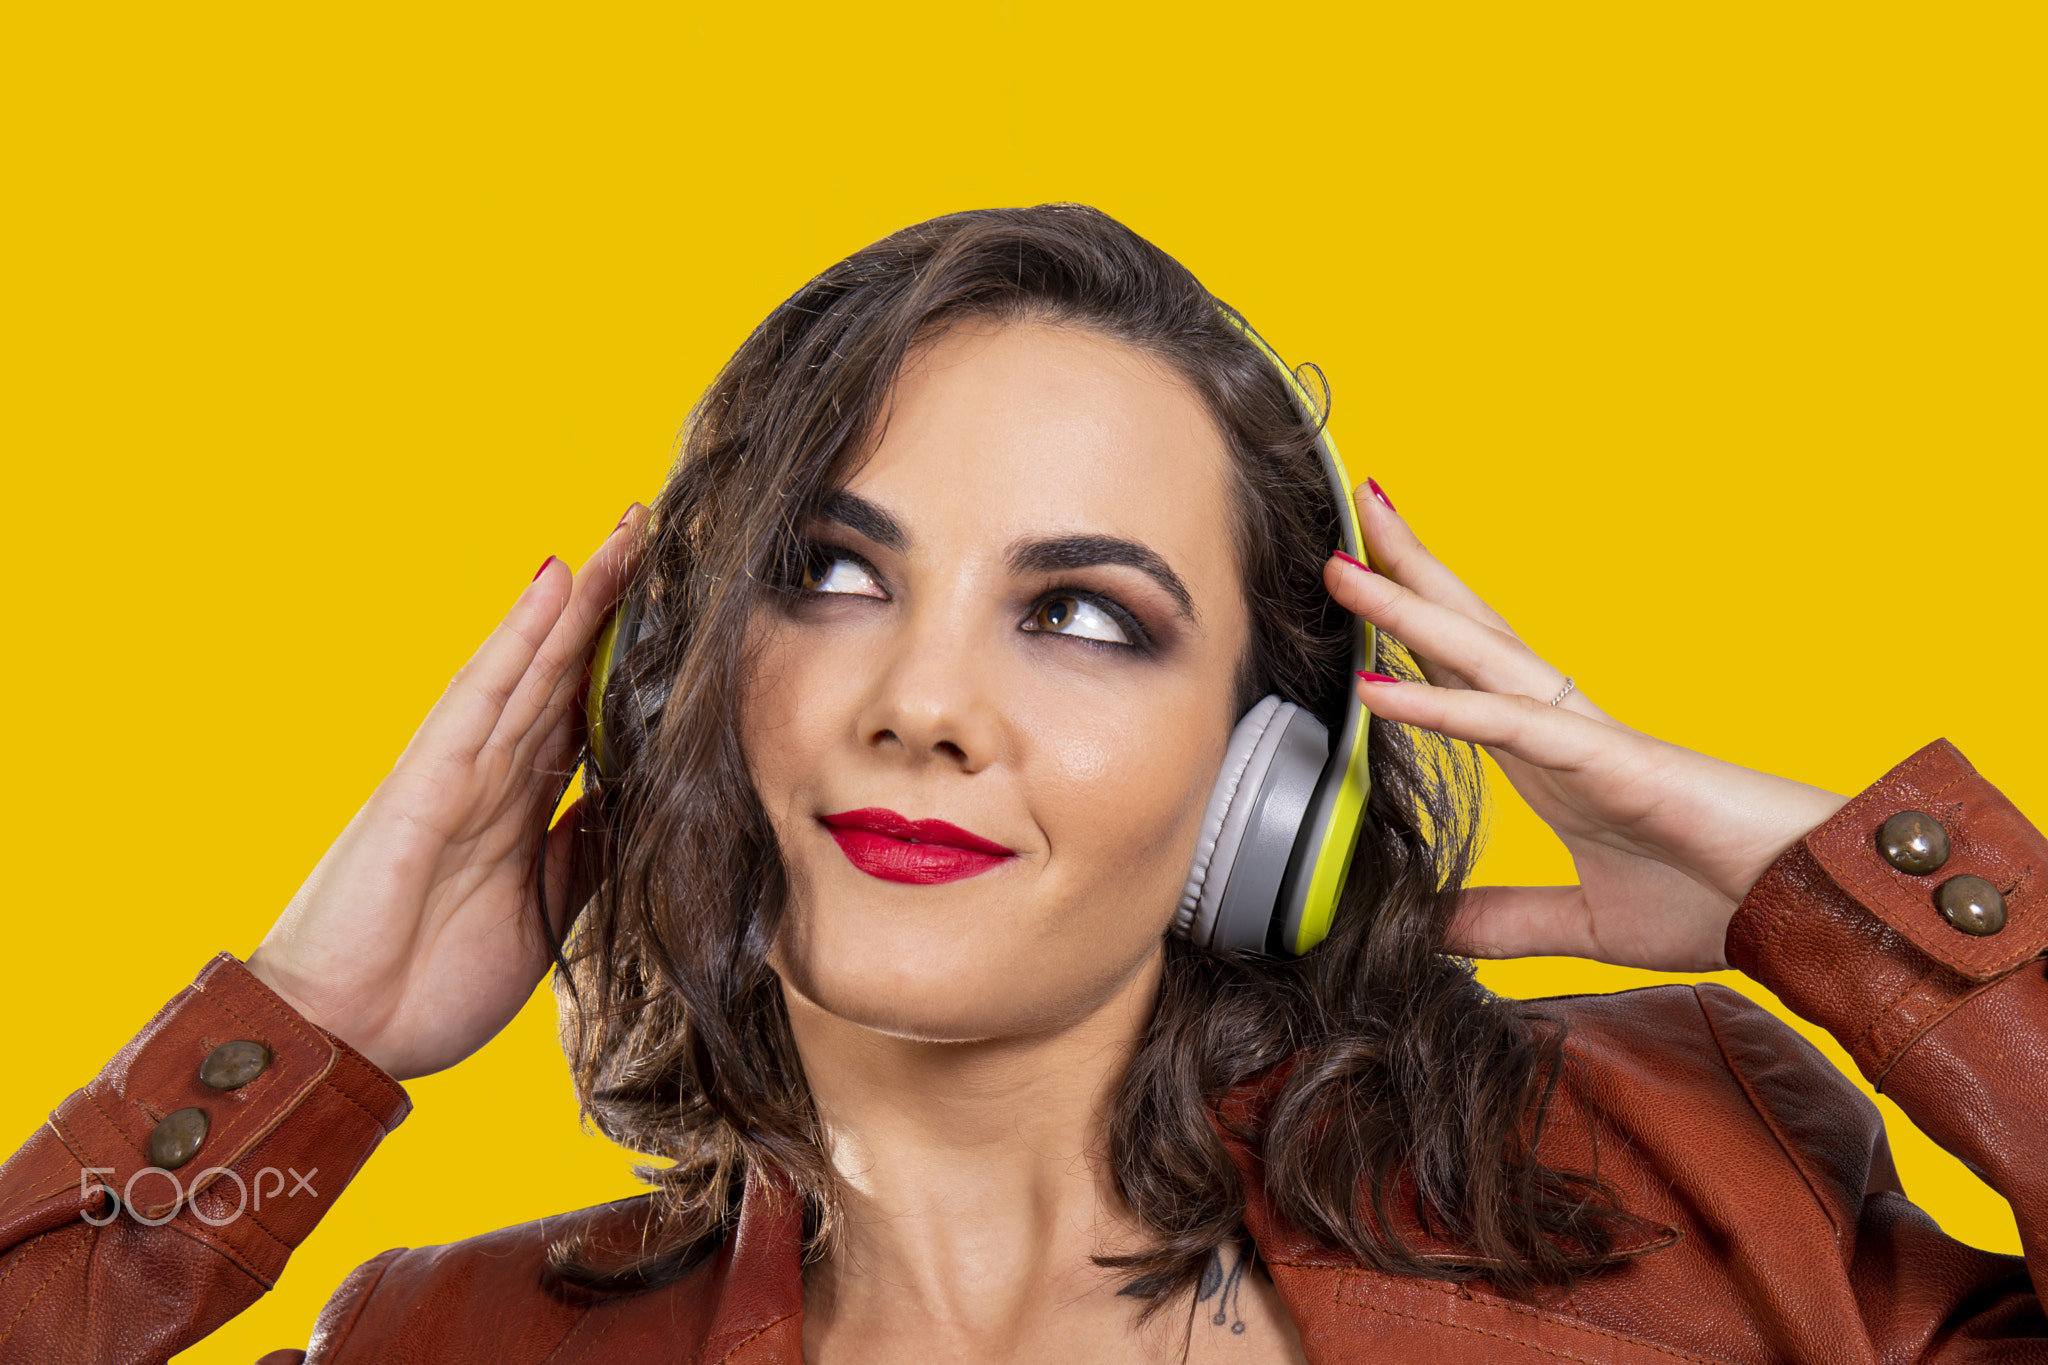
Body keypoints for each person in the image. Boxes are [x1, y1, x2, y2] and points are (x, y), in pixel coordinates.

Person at [0, 204, 2041, 1365]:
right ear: (691, 694)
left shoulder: (1679, 1173)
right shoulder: (454, 1346)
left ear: (1271, 779)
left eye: (1081, 612)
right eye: (827, 571)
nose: (922, 700)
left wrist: (1851, 914)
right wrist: (303, 1037)